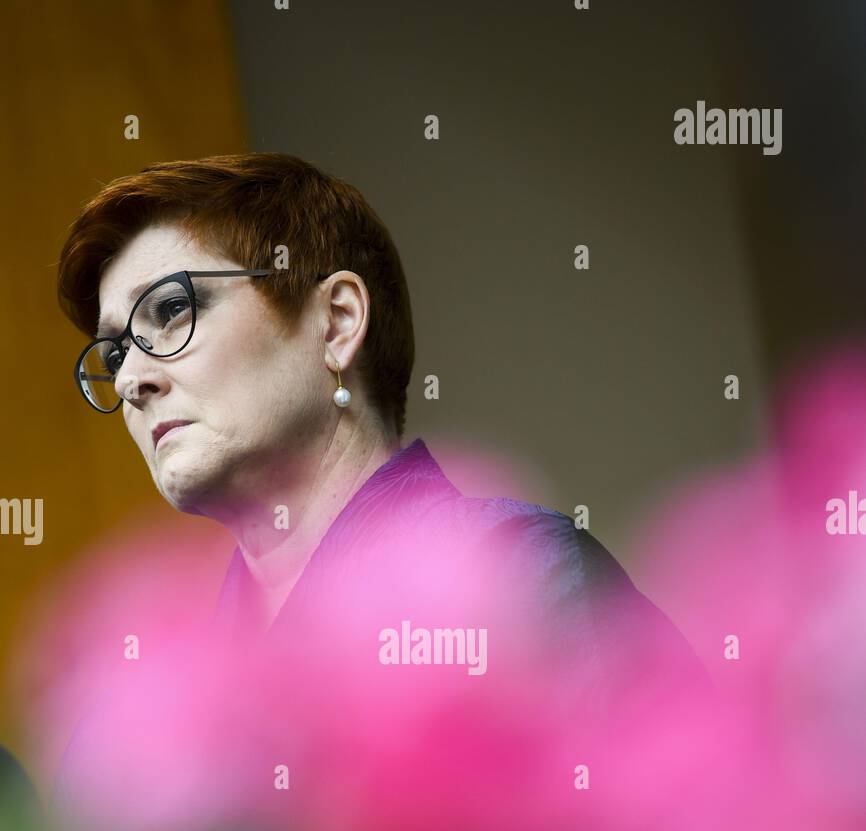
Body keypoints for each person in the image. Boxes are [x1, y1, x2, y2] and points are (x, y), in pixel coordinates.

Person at [56, 152, 705, 687]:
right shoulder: (179, 690)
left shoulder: (518, 575)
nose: (134, 378)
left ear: (336, 321)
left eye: (171, 311)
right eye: (114, 352)